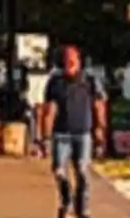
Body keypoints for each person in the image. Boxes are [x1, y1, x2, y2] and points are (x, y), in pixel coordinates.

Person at [43, 45, 107, 218]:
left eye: (72, 59)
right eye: (66, 59)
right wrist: (44, 137)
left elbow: (98, 105)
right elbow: (49, 109)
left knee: (82, 170)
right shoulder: (56, 82)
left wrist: (100, 129)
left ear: (79, 60)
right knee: (58, 170)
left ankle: (82, 206)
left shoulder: (89, 80)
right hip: (61, 133)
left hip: (83, 132)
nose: (69, 63)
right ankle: (66, 198)